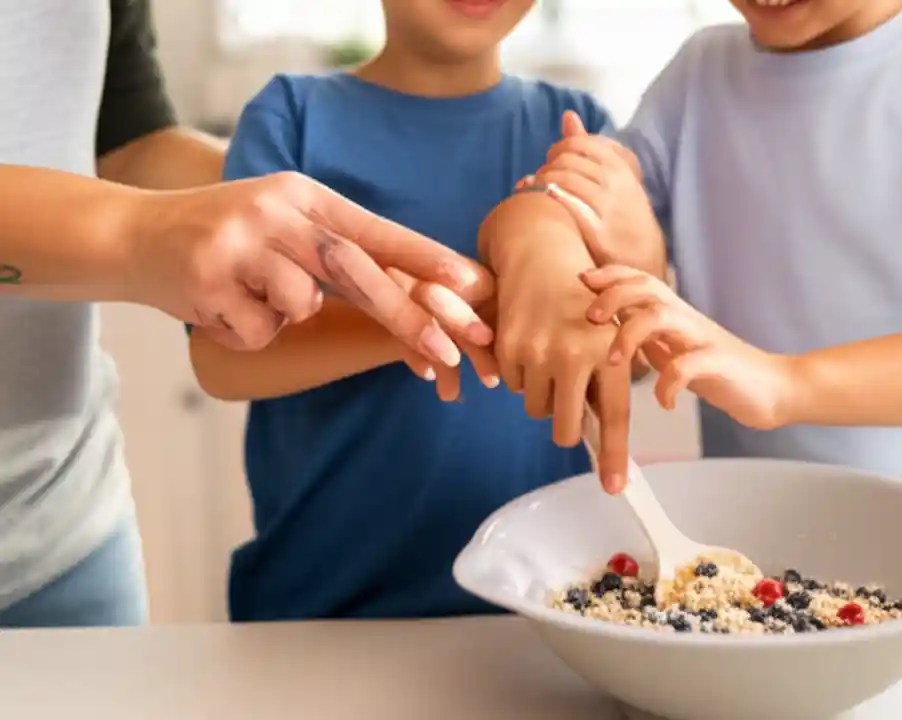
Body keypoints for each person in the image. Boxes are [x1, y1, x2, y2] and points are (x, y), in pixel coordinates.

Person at [488, 0, 902, 596]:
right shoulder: (700, 76)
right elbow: (556, 204)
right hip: (772, 575)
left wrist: (785, 384)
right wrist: (547, 254)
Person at [0, 0, 488, 628]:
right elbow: (218, 353)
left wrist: (349, 212)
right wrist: (139, 234)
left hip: (63, 529)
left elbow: (127, 138)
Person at [187, 0, 620, 621]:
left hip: (536, 611)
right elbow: (219, 360)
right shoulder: (293, 116)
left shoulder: (578, 135)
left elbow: (626, 363)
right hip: (318, 611)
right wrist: (406, 317)